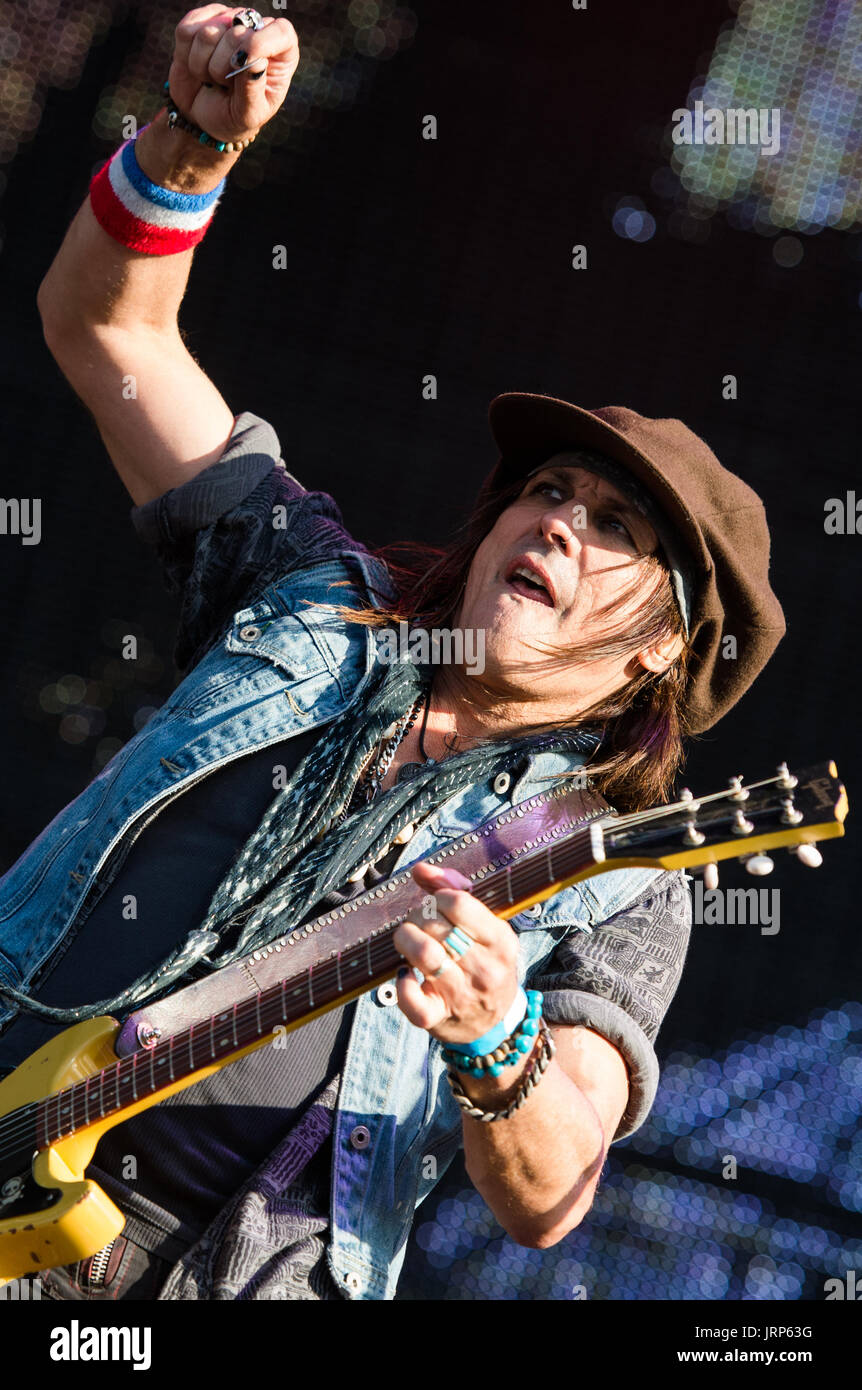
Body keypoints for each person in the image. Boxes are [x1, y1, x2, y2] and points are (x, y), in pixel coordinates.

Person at [0, 7, 785, 1301]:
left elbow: (553, 1183)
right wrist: (191, 142)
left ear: (662, 646)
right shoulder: (309, 590)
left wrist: (499, 1040)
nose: (557, 524)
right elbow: (109, 332)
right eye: (551, 492)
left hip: (194, 1281)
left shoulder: (622, 873)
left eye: (618, 531)